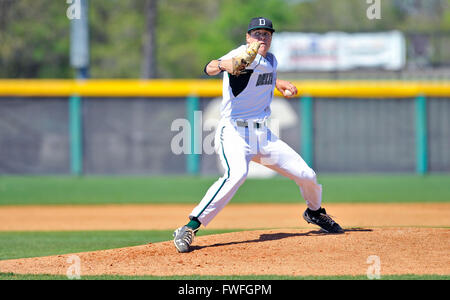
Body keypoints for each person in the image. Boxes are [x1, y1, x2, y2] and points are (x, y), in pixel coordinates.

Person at [173, 17, 343, 253]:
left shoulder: (271, 59)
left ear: (271, 38)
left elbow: (264, 75)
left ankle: (314, 212)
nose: (262, 38)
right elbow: (210, 67)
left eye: (267, 34)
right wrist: (224, 65)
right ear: (248, 37)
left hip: (263, 135)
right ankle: (189, 227)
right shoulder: (240, 54)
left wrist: (278, 83)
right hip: (234, 132)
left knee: (307, 174)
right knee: (236, 175)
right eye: (257, 33)